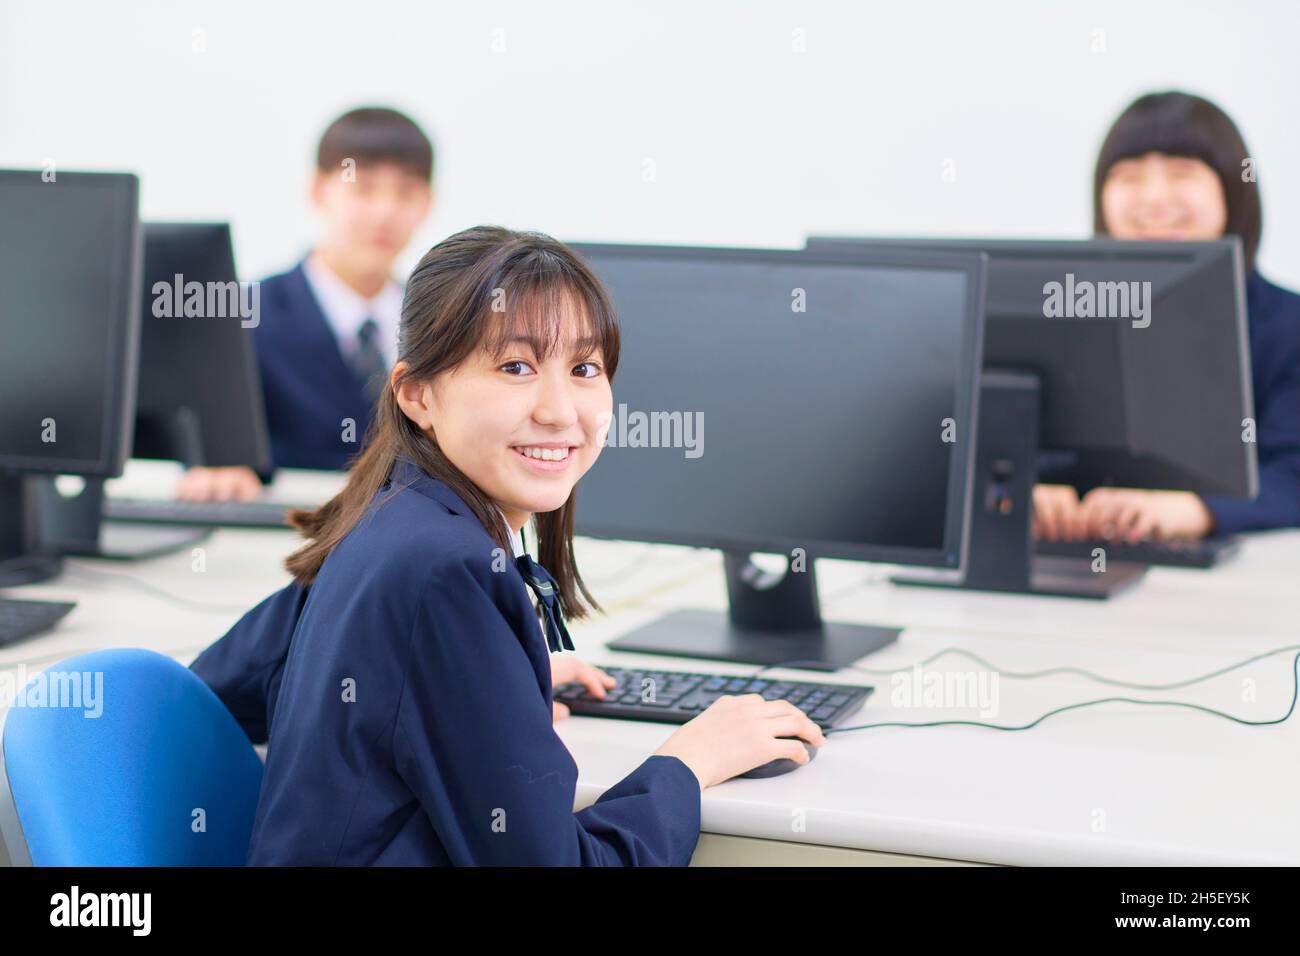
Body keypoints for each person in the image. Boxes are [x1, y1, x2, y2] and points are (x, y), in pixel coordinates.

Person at [189, 226, 825, 865]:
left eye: (584, 368)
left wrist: (478, 687)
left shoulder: (386, 517)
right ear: (417, 395)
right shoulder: (447, 568)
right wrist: (690, 761)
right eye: (515, 367)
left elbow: (211, 693)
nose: (558, 411)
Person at [1034, 91, 1300, 543]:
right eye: (1129, 176)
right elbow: (1025, 445)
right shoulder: (1072, 315)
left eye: (1182, 174)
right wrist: (1027, 489)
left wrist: (1197, 511)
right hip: (1086, 563)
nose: (1154, 199)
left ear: (1233, 191)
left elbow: (1293, 473)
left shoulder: (1288, 326)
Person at [176, 106, 435, 501]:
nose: (385, 212)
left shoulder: (442, 324)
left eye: (405, 192)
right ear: (318, 191)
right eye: (363, 188)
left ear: (427, 202)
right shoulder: (243, 316)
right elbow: (205, 440)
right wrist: (218, 463)